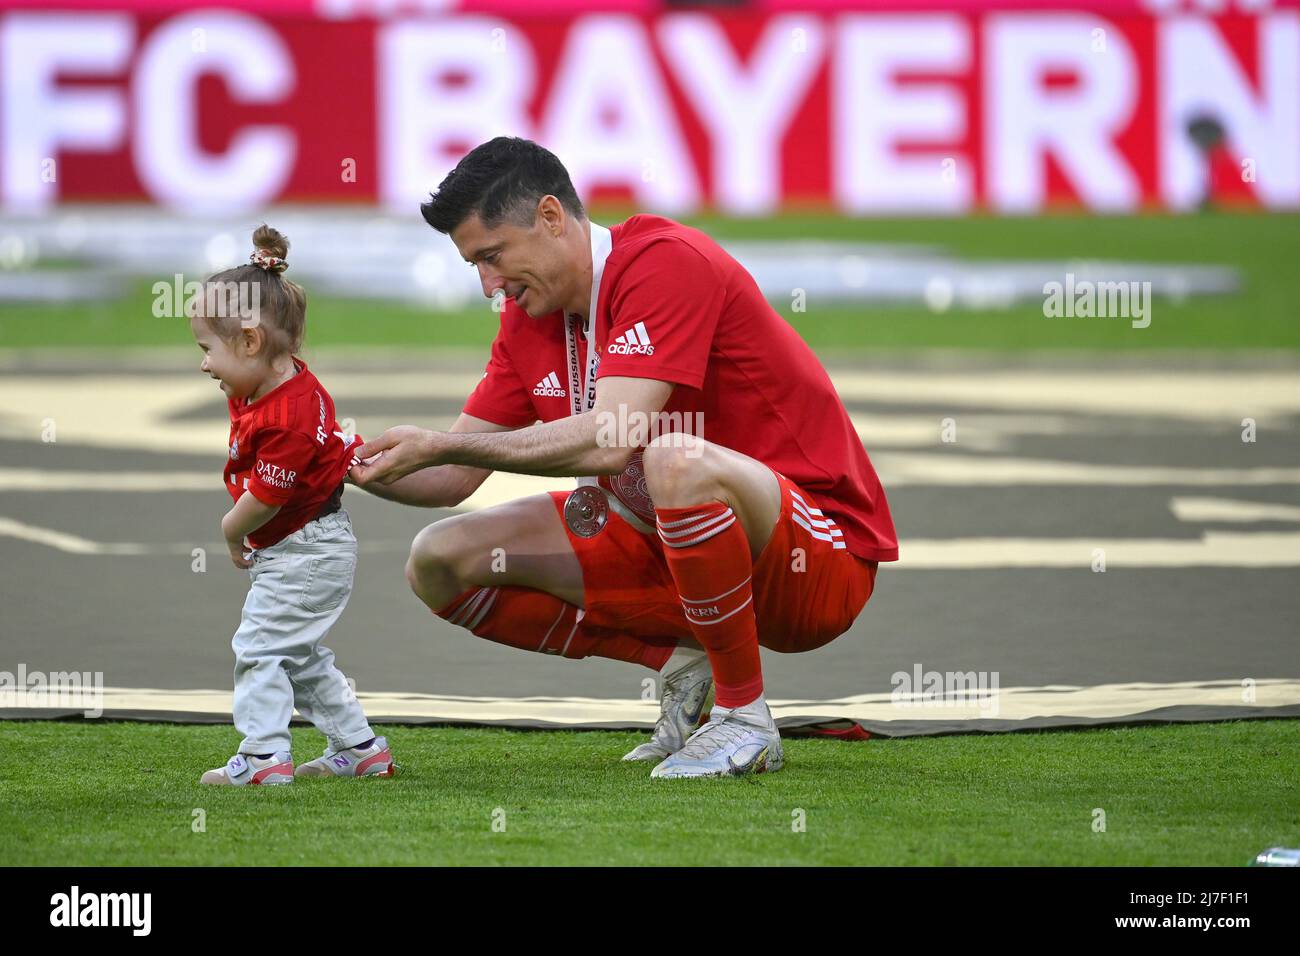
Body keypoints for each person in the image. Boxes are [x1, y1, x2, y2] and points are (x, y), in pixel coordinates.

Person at [352, 138, 898, 778]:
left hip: (816, 560)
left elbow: (610, 438)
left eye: (493, 257)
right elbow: (450, 478)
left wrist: (444, 441)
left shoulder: (665, 262)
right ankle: (682, 662)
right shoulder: (527, 315)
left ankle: (745, 718)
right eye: (475, 264)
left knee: (673, 460)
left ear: (552, 218)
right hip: (674, 548)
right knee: (438, 561)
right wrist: (332, 464)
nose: (488, 285)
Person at [191, 225, 394, 785]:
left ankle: (262, 756)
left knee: (258, 648)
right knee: (298, 654)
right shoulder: (275, 387)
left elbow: (268, 496)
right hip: (305, 547)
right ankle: (359, 747)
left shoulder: (286, 415)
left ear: (251, 343)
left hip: (304, 550)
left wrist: (231, 531)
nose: (204, 364)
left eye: (208, 349)